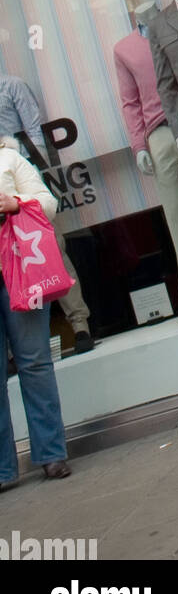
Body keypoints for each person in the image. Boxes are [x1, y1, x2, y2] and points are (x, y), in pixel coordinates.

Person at [0, 136, 71, 490]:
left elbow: (49, 204)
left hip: (22, 267)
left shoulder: (10, 159)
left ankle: (51, 453)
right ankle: (2, 469)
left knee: (35, 362)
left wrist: (15, 203)